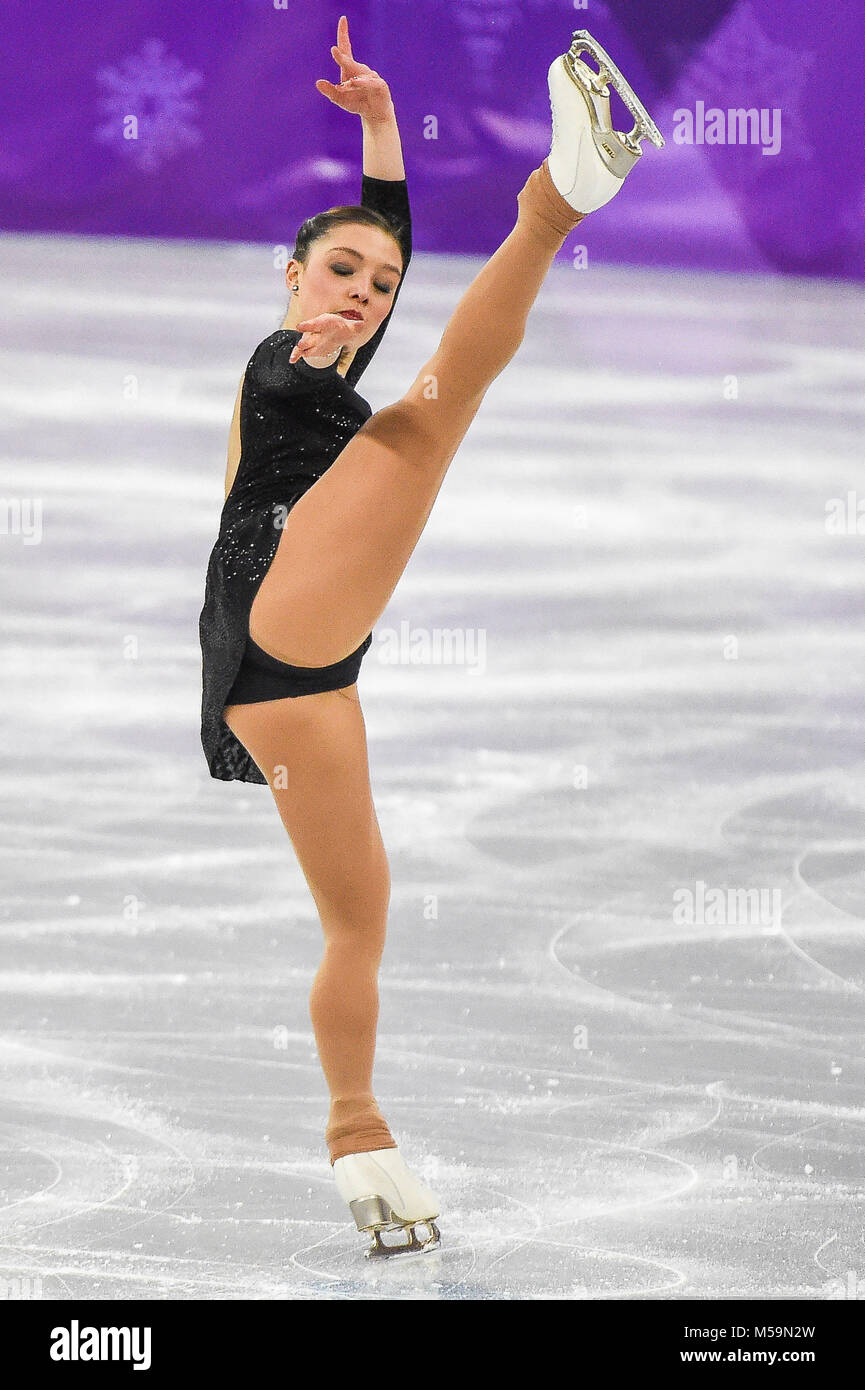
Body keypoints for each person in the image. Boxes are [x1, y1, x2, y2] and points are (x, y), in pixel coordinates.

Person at [198, 17, 663, 1258]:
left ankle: (360, 1136)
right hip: (273, 603)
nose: (360, 292)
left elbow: (381, 258)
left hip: (298, 679)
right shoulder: (279, 362)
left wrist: (382, 130)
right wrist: (318, 346)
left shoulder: (341, 349)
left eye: (379, 284)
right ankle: (556, 204)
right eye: (340, 271)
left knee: (361, 921)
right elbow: (298, 374)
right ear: (290, 277)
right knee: (423, 421)